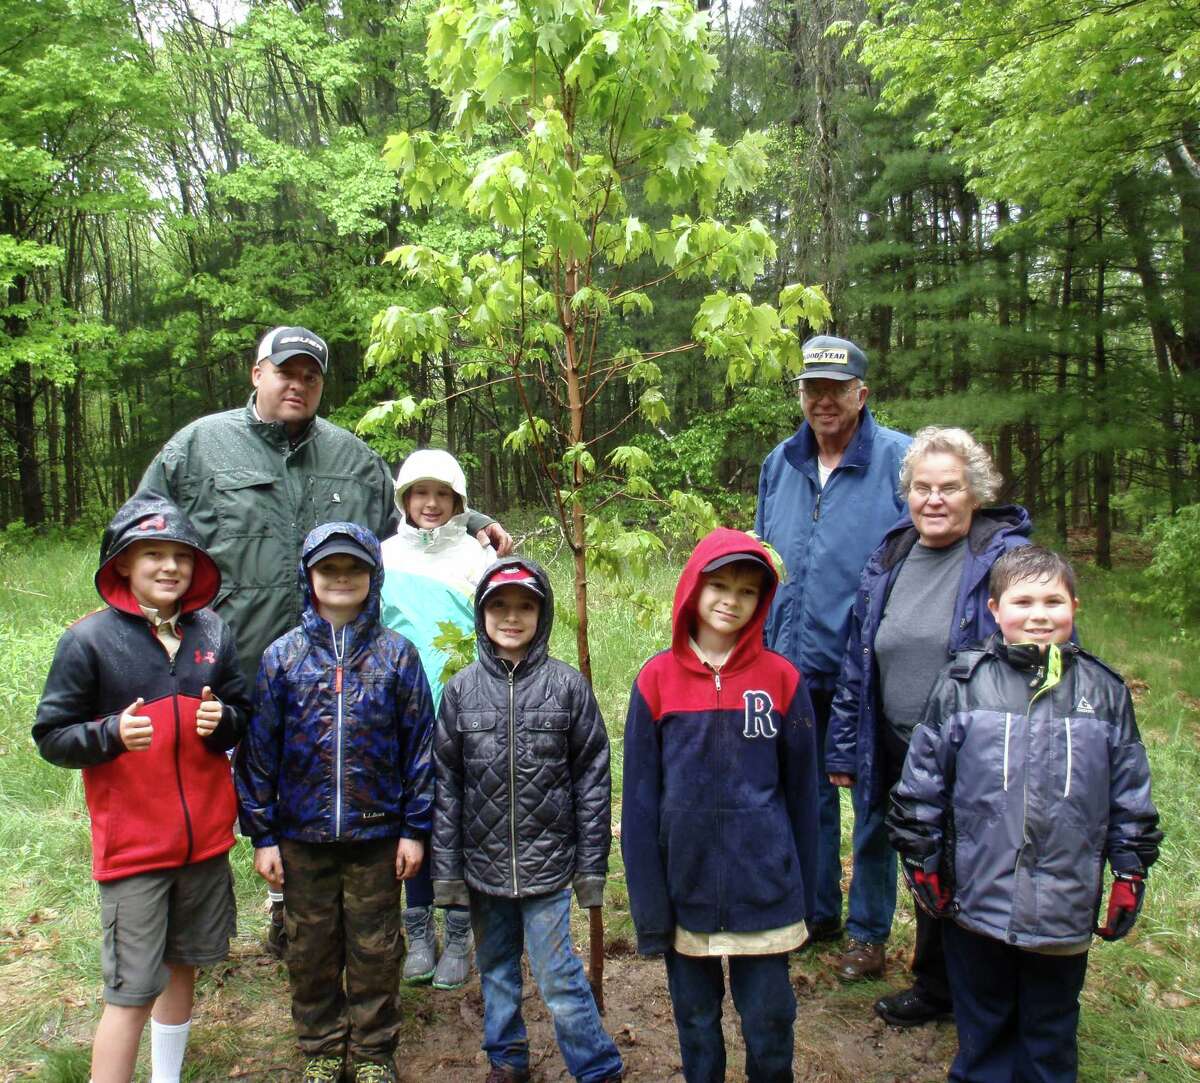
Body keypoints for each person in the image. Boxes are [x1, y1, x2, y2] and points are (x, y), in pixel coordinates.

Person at [140, 325, 510, 954]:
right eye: (285, 372)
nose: (297, 384)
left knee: (330, 774)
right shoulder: (200, 447)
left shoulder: (352, 459)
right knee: (267, 776)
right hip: (245, 654)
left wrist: (471, 522)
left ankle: (345, 913)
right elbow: (144, 527)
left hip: (346, 659)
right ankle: (287, 908)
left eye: (310, 376)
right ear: (257, 374)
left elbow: (407, 521)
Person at [888, 546, 1161, 1081]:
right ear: (994, 609)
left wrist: (1130, 869)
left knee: (1050, 1030)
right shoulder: (963, 684)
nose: (1040, 614)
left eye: (1054, 600)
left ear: (1075, 607)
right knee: (983, 1025)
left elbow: (1130, 792)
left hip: (1064, 906)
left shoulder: (1104, 693)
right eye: (1024, 600)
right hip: (975, 899)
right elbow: (923, 780)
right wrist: (920, 858)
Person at [32, 492, 250, 1083]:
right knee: (130, 989)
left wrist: (223, 722)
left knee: (183, 966)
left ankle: (167, 1077)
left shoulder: (212, 632)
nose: (169, 567)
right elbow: (51, 734)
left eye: (180, 555)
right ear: (122, 564)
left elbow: (243, 711)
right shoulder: (89, 641)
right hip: (134, 850)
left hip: (204, 843)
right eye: (151, 553)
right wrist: (108, 733)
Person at [826, 426, 1032, 1021]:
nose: (933, 500)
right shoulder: (891, 554)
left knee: (979, 867)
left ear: (976, 493)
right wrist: (844, 748)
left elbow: (1044, 649)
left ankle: (987, 996)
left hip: (979, 750)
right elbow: (858, 658)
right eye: (922, 487)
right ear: (907, 493)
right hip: (898, 742)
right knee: (925, 864)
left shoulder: (1004, 560)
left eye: (949, 487)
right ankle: (937, 987)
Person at [235, 521, 434, 1083]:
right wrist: (264, 835)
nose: (342, 579)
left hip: (377, 836)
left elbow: (421, 748)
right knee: (310, 949)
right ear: (309, 576)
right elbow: (258, 753)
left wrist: (414, 829)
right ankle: (321, 1047)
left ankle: (373, 1052)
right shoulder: (283, 657)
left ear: (374, 576)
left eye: (354, 569)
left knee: (376, 949)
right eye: (329, 569)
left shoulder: (398, 656)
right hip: (302, 838)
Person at [622, 528, 820, 1083]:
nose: (731, 600)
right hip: (685, 892)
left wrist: (807, 891)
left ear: (762, 602)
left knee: (770, 1021)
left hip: (766, 893)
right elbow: (639, 807)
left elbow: (805, 798)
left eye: (748, 591)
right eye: (719, 585)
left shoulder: (781, 680)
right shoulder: (655, 681)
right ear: (692, 588)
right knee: (696, 1023)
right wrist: (651, 908)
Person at [432, 558, 623, 1083]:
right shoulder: (461, 692)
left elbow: (592, 781)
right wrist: (446, 872)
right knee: (495, 972)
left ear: (543, 613)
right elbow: (445, 786)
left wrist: (590, 869)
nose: (511, 617)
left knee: (560, 977)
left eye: (524, 606)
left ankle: (599, 1068)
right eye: (499, 606)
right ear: (481, 614)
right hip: (482, 866)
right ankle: (507, 1060)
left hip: (549, 867)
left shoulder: (567, 688)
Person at [755, 334, 911, 975]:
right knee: (807, 792)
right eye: (812, 389)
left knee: (873, 799)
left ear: (861, 393)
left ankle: (869, 933)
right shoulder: (781, 463)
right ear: (801, 394)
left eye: (836, 389)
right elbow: (766, 557)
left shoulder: (899, 459)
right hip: (792, 660)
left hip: (869, 664)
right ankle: (817, 914)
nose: (823, 401)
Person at [380, 448, 494, 989]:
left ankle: (460, 926)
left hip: (464, 714)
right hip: (401, 717)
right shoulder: (382, 557)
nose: (431, 504)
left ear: (459, 502)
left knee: (460, 822)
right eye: (421, 493)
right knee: (415, 820)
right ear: (404, 498)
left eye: (443, 494)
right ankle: (418, 927)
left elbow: (498, 630)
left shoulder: (477, 558)